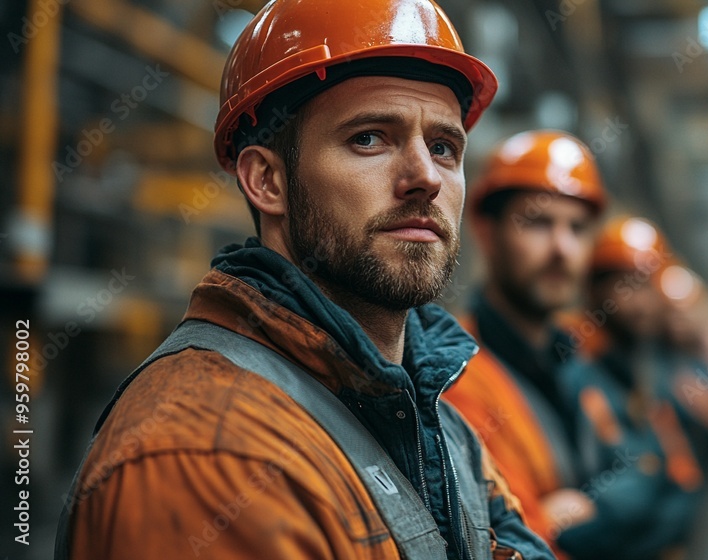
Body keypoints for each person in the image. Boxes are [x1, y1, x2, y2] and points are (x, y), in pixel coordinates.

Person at [56, 1, 553, 558]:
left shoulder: (438, 422)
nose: (425, 178)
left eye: (443, 147)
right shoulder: (204, 456)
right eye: (369, 138)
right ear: (266, 180)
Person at [443, 130, 608, 554]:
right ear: (486, 230)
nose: (561, 248)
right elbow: (517, 541)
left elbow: (651, 473)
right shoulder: (455, 377)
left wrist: (600, 510)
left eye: (577, 229)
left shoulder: (578, 355)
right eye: (537, 222)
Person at [555, 215, 708, 559]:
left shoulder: (646, 366)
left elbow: (676, 481)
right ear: (595, 291)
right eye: (625, 286)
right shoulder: (578, 365)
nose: (639, 303)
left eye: (646, 286)